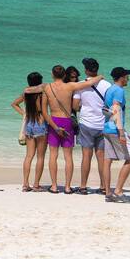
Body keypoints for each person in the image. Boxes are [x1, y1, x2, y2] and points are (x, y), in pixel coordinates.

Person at [27, 64, 104, 193]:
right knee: (68, 156)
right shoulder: (70, 86)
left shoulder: (47, 88)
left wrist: (55, 127)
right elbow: (88, 83)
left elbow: (44, 111)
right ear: (64, 75)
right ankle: (68, 187)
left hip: (54, 121)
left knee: (53, 155)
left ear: (52, 74)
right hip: (67, 121)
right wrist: (100, 76)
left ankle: (54, 186)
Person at [74, 57, 112, 194]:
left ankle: (83, 186)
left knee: (86, 156)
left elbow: (75, 106)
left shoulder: (80, 85)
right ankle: (103, 186)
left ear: (86, 70)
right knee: (101, 156)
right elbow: (109, 105)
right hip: (102, 123)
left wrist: (84, 107)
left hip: (86, 123)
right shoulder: (107, 85)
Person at [100, 67, 130, 202]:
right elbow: (116, 109)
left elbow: (106, 109)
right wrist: (121, 132)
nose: (128, 78)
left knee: (107, 160)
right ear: (121, 77)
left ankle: (108, 193)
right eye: (127, 76)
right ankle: (118, 190)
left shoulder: (109, 89)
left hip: (106, 128)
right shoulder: (119, 91)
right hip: (115, 129)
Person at [12, 72, 49, 191]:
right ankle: (36, 184)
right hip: (40, 122)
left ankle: (25, 184)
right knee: (40, 157)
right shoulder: (43, 93)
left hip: (29, 124)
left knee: (29, 156)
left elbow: (14, 104)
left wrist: (24, 114)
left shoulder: (26, 93)